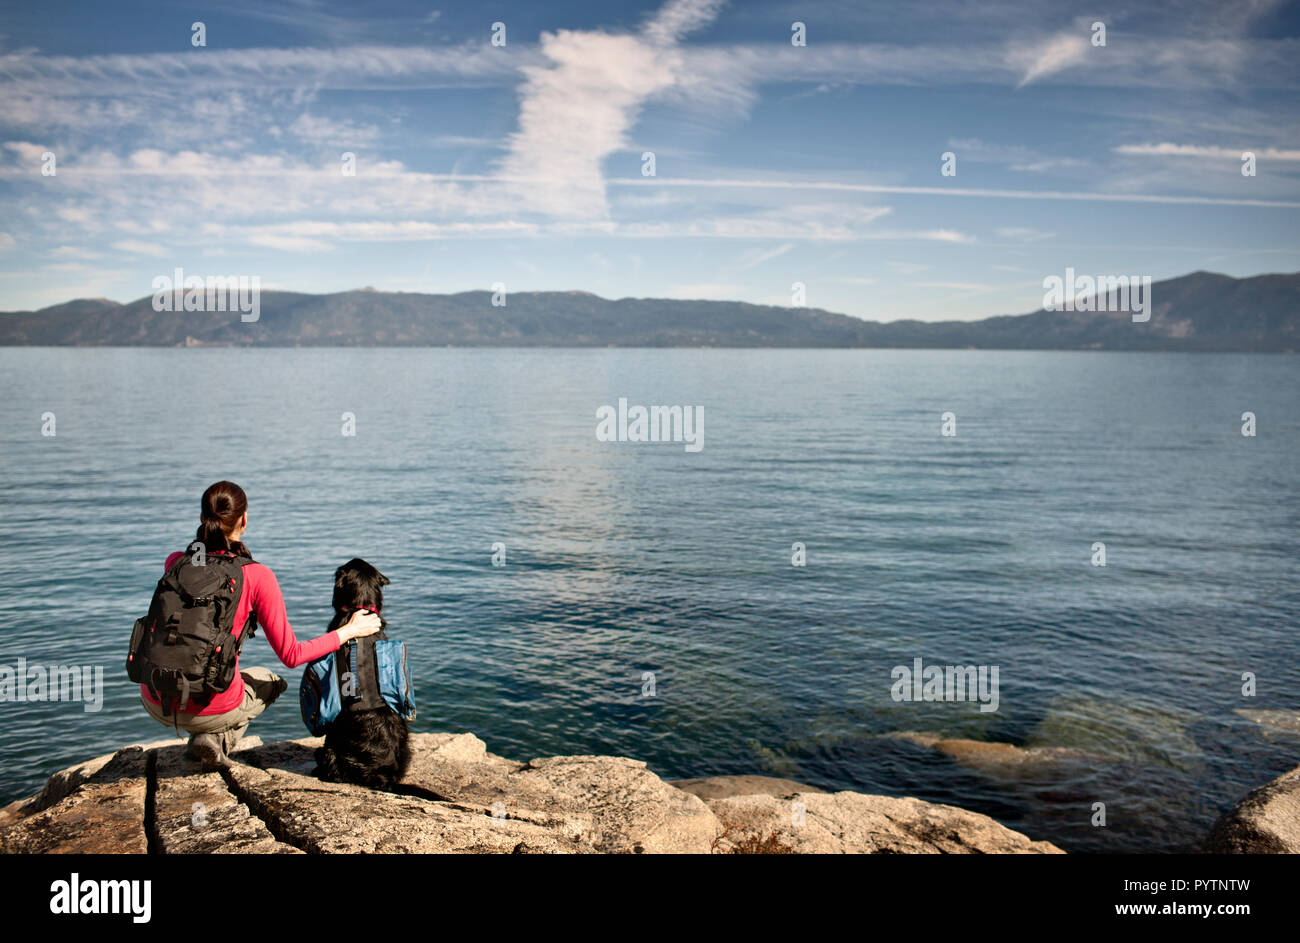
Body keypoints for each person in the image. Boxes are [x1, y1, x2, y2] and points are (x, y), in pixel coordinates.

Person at [140, 480, 381, 766]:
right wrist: (348, 631)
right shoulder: (257, 576)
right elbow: (292, 656)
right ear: (244, 519)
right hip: (211, 709)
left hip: (155, 700)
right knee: (271, 681)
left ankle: (207, 732)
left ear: (202, 518)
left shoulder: (175, 562)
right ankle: (218, 738)